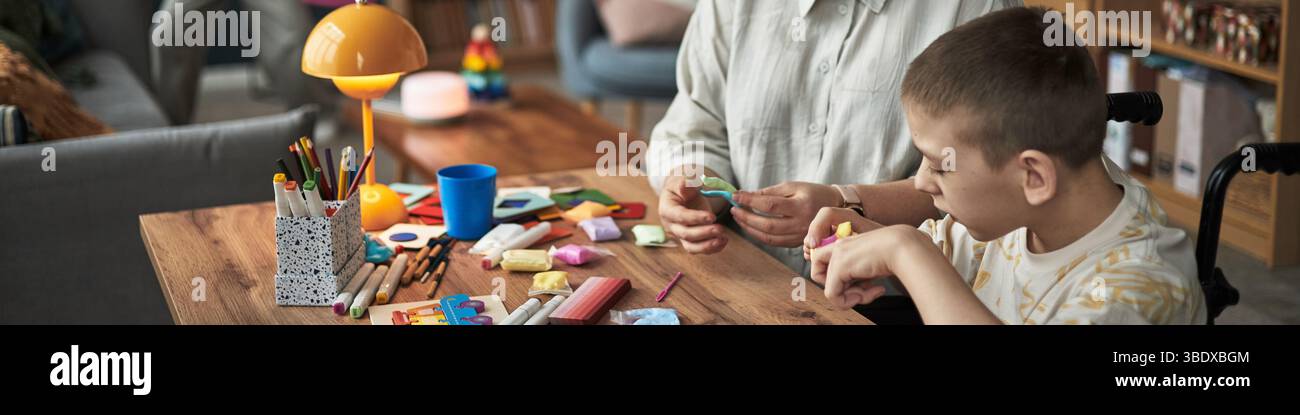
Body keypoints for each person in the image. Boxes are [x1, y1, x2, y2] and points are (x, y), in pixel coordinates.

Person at [807, 7, 1206, 324]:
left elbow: (922, 259)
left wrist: (905, 250)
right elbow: (943, 267)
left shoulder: (1137, 291)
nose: (922, 182)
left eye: (940, 166)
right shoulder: (1016, 213)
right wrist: (876, 244)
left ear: (1033, 176)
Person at [648, 0, 1020, 276]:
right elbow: (696, 120)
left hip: (891, 296)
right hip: (737, 271)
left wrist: (852, 202)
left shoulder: (974, 8)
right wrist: (696, 185)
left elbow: (992, 185)